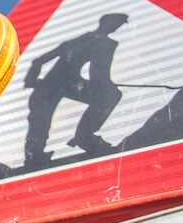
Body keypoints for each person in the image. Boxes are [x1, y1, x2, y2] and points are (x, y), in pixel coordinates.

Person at [23, 13, 128, 168]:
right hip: (61, 84)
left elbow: (39, 61)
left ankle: (36, 153)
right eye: (117, 23)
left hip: (56, 84)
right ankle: (84, 137)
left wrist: (32, 81)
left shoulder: (82, 38)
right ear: (108, 23)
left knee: (40, 118)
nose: (117, 27)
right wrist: (107, 87)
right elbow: (99, 74)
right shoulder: (104, 43)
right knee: (110, 95)